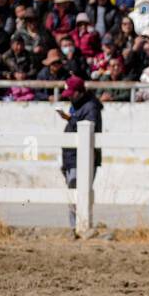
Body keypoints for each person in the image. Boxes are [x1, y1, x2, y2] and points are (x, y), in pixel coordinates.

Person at [56, 76, 102, 232]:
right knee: (74, 193)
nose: (69, 96)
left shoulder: (90, 107)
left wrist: (70, 118)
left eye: (71, 93)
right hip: (72, 157)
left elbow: (89, 129)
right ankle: (76, 227)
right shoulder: (78, 105)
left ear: (80, 92)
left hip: (81, 158)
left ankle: (79, 227)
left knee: (78, 193)